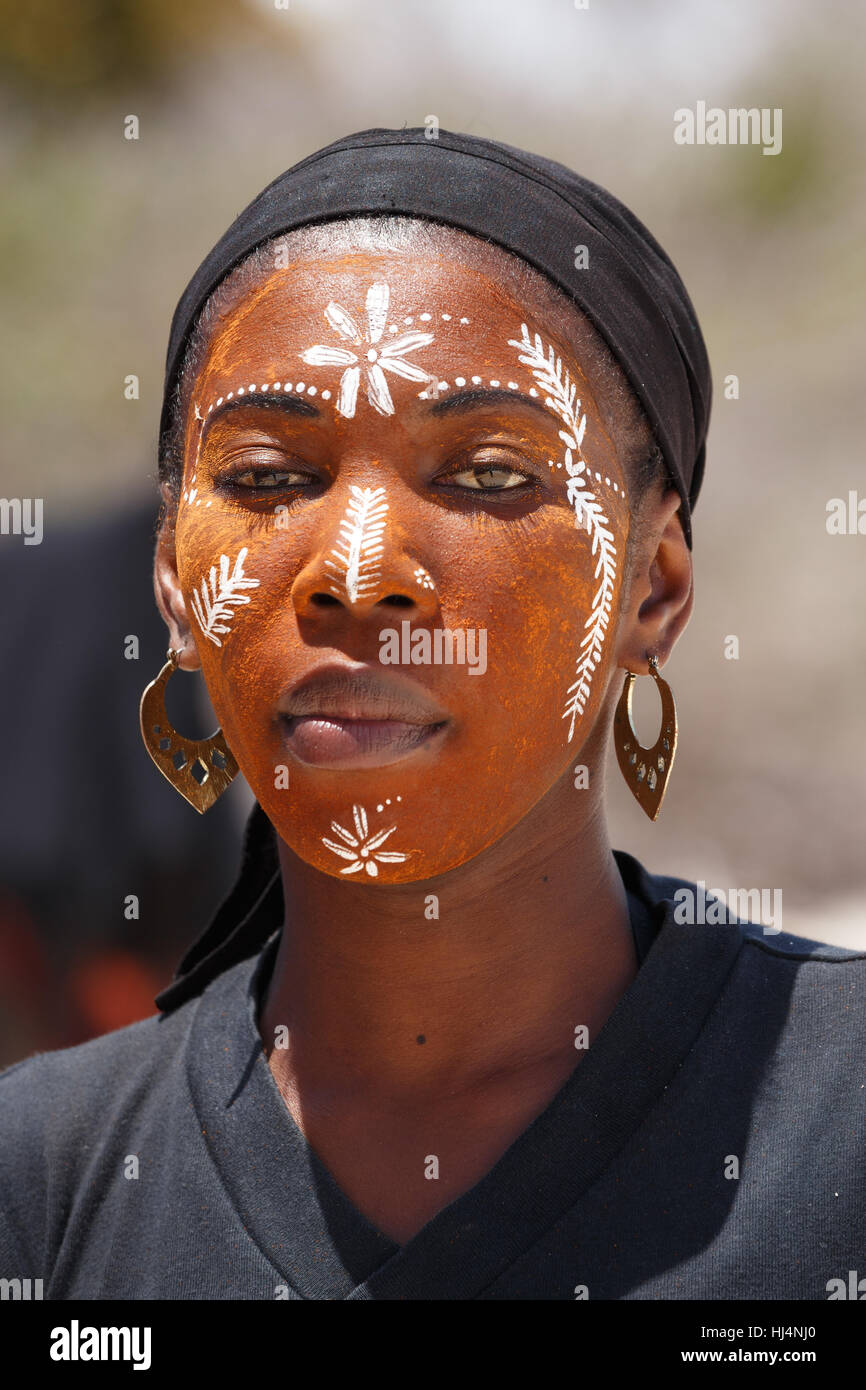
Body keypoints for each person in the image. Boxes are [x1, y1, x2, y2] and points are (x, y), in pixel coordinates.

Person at [1, 128, 862, 1301]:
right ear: (175, 586)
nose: (357, 573)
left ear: (651, 587)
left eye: (486, 475)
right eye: (265, 475)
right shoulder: (43, 1187)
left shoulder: (842, 1112)